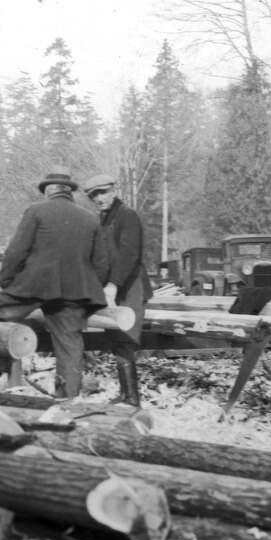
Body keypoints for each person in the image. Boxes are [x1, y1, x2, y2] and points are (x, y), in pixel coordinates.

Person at [0, 169, 109, 397]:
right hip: (74, 292)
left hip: (33, 284)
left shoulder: (36, 211)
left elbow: (16, 251)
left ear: (49, 191)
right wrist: (85, 296)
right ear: (69, 192)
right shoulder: (90, 219)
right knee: (69, 341)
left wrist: (2, 283)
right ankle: (68, 397)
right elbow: (101, 265)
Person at [83, 173, 153, 404]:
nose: (99, 198)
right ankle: (126, 394)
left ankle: (131, 397)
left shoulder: (127, 216)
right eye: (94, 195)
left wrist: (113, 285)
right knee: (116, 337)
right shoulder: (101, 220)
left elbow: (129, 255)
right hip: (112, 287)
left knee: (125, 337)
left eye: (103, 193)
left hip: (130, 285)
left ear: (113, 191)